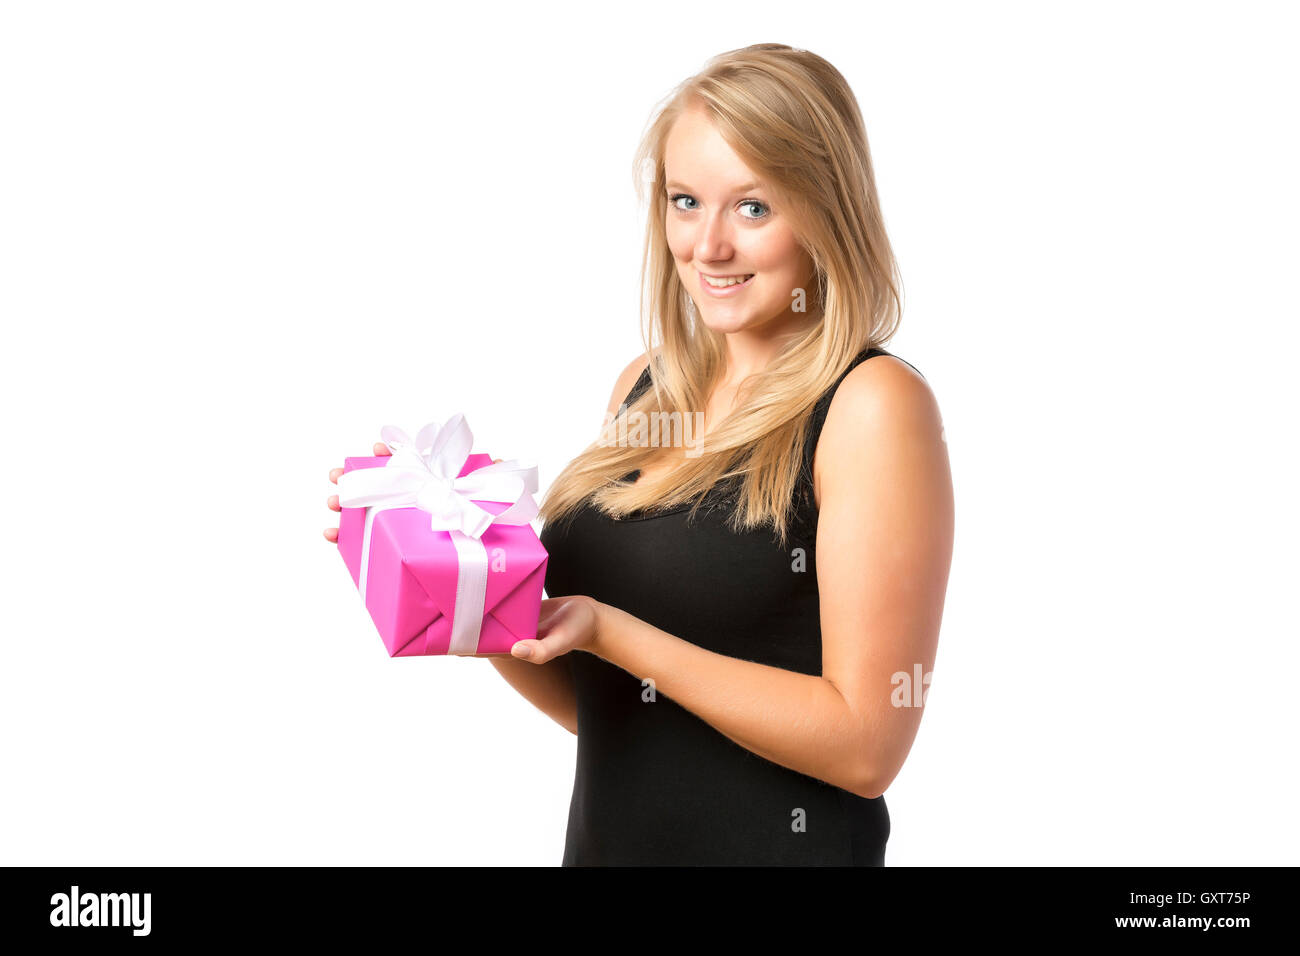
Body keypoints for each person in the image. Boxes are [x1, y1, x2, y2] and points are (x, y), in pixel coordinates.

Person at [326, 43, 953, 866]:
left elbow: (869, 747)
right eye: (686, 201)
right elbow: (614, 711)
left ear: (827, 210)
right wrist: (459, 587)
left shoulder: (871, 406)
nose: (708, 246)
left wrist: (611, 632)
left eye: (754, 208)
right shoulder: (646, 390)